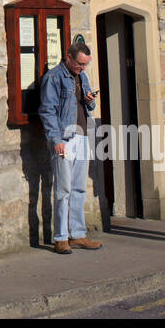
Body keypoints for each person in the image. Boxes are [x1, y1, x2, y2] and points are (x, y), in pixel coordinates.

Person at [38, 40, 101, 254]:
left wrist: (89, 99)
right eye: (79, 64)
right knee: (63, 190)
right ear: (69, 57)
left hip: (82, 135)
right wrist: (56, 141)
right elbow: (47, 111)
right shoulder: (53, 78)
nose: (82, 69)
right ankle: (60, 237)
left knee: (79, 188)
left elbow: (90, 105)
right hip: (65, 138)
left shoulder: (82, 76)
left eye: (85, 65)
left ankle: (77, 234)